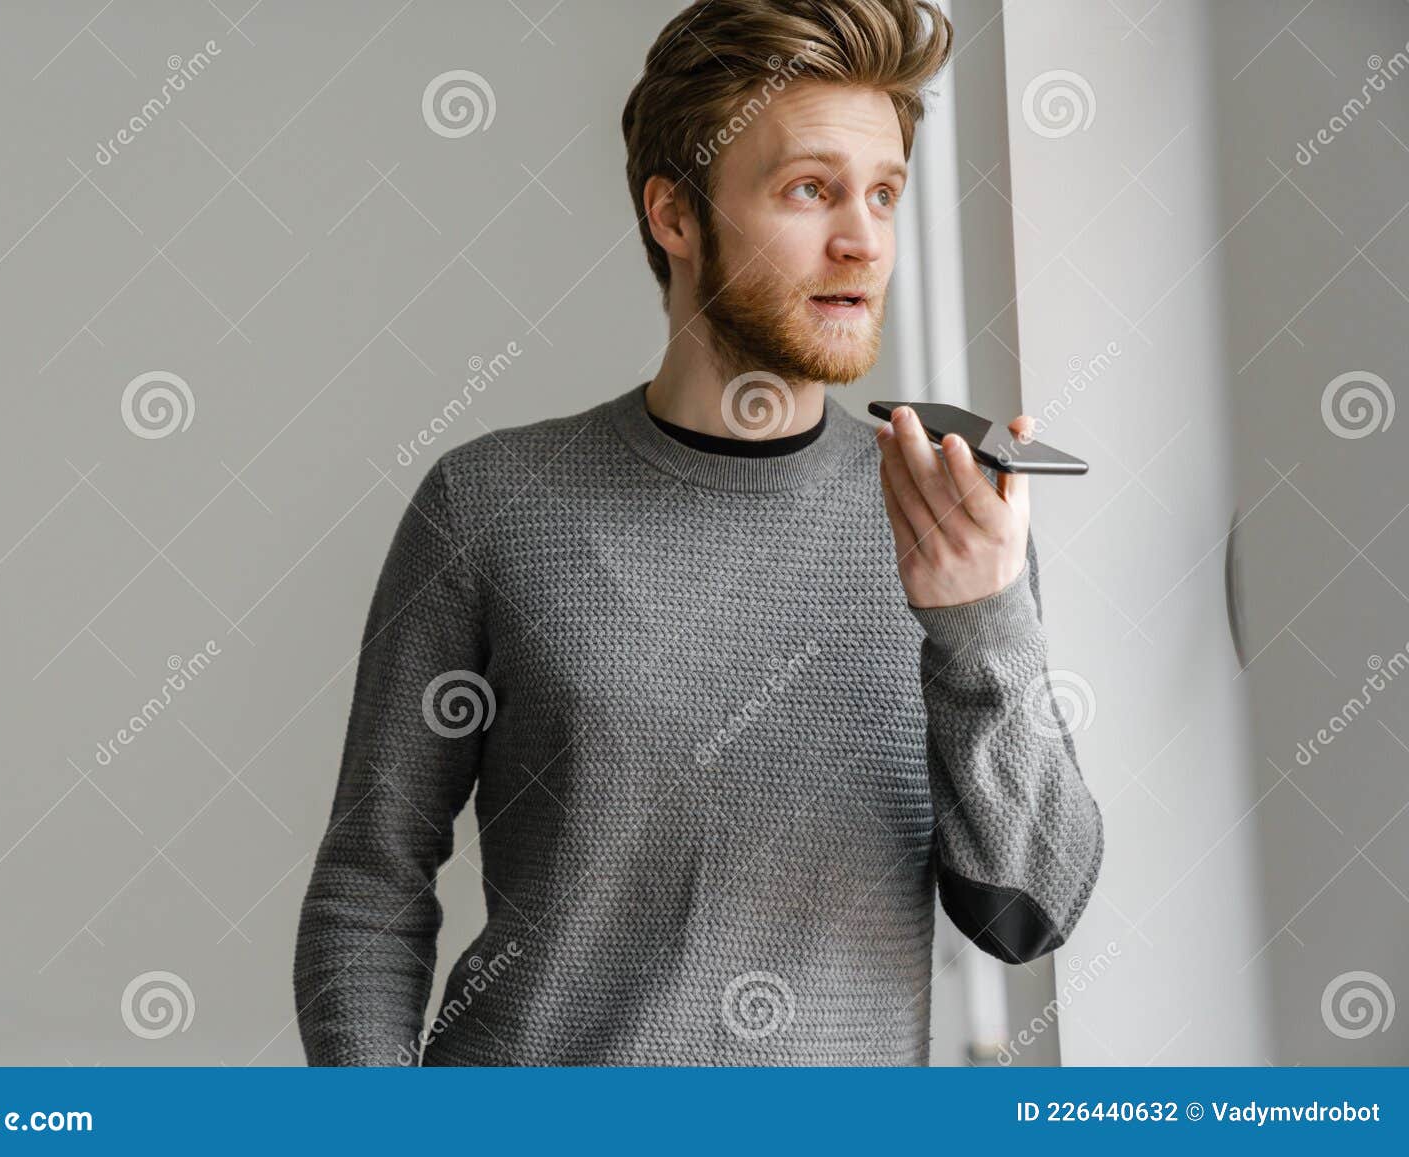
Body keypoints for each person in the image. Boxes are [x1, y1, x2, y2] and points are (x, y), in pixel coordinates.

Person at [294, 0, 1103, 1067]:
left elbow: (1024, 913)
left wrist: (981, 622)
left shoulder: (953, 523)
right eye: (809, 189)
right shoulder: (490, 502)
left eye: (883, 194)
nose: (861, 238)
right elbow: (370, 883)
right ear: (674, 214)